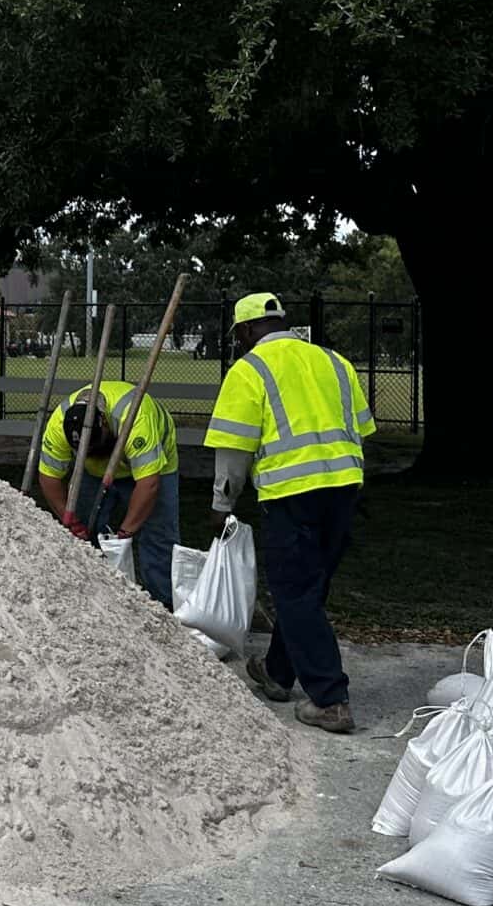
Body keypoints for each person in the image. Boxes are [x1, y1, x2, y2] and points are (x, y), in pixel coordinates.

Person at [204, 293, 375, 735]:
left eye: (238, 335)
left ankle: (330, 699)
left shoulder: (249, 370)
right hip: (342, 490)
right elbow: (361, 428)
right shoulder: (335, 362)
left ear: (245, 331)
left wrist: (222, 505)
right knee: (308, 588)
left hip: (290, 494)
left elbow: (234, 449)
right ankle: (278, 673)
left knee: (296, 592)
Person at [35, 379, 179, 607]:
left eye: (94, 444)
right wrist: (68, 518)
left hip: (153, 464)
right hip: (94, 473)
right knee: (83, 534)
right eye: (84, 449)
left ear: (103, 423)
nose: (91, 451)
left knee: (157, 535)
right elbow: (49, 477)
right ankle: (93, 601)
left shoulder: (135, 419)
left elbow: (149, 484)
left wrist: (126, 530)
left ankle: (163, 605)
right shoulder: (58, 426)